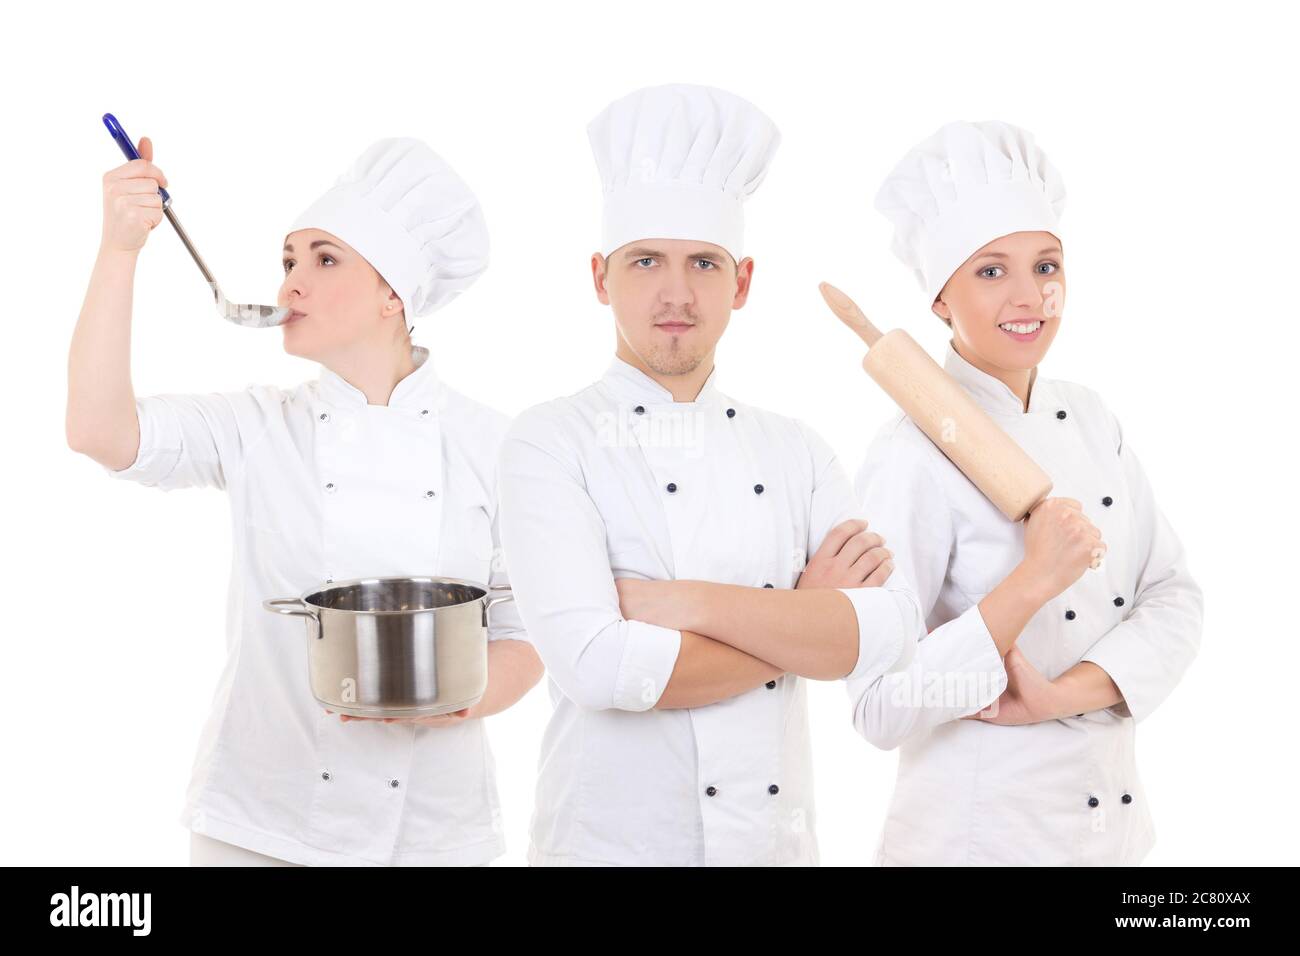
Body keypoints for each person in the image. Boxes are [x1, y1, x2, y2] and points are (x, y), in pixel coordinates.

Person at [67, 135, 542, 866]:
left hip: (432, 832)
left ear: (395, 294)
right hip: (258, 825)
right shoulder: (256, 425)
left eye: (324, 260)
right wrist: (120, 251)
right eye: (289, 261)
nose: (291, 285)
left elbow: (525, 628)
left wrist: (458, 699)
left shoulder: (495, 445)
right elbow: (100, 431)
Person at [497, 83, 918, 867]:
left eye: (704, 263)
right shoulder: (548, 443)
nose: (676, 294)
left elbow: (885, 632)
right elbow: (600, 668)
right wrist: (802, 620)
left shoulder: (797, 449)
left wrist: (686, 606)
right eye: (645, 260)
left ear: (743, 282)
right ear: (599, 277)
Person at [846, 120, 1203, 865]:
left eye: (1046, 266)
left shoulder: (1091, 414)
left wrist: (1063, 692)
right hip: (977, 838)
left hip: (1114, 836)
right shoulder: (909, 452)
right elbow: (878, 705)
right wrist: (1035, 578)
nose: (1029, 296)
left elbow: (1174, 596)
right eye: (989, 271)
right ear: (939, 299)